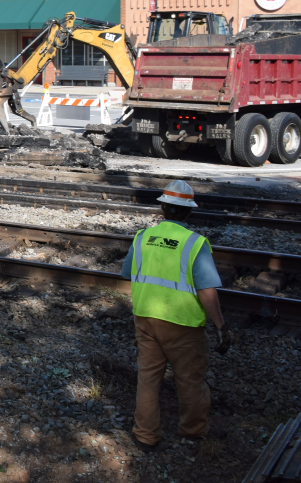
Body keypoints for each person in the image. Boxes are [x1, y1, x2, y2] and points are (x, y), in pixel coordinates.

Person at [122, 180, 231, 452]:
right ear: (188, 212)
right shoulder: (195, 243)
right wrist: (220, 325)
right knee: (190, 380)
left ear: (163, 208)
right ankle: (192, 431)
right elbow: (207, 291)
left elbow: (128, 273)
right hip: (183, 325)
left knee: (147, 379)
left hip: (146, 319)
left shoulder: (142, 237)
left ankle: (145, 435)